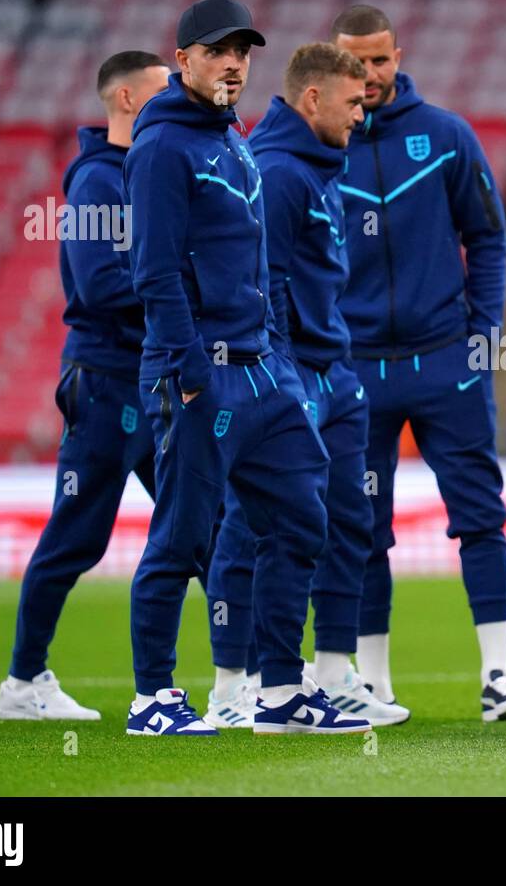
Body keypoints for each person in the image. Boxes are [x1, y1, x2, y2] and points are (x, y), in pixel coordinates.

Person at [124, 0, 363, 737]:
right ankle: (153, 698)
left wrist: (273, 355)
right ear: (184, 58)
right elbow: (154, 272)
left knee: (301, 520)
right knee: (183, 537)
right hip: (201, 373)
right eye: (219, 50)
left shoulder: (231, 139)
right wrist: (193, 372)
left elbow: (257, 262)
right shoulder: (163, 148)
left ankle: (282, 690)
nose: (233, 63)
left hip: (265, 372)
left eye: (244, 51)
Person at [331, 5, 506, 722]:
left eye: (379, 60)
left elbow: (489, 237)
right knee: (359, 528)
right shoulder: (318, 146)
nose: (369, 75)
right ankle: (375, 687)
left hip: (445, 360)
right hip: (354, 369)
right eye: (354, 63)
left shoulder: (445, 135)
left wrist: (481, 334)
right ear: (333, 65)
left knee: (480, 516)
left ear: (397, 54)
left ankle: (500, 676)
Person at [202, 42, 410, 729]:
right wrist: (285, 377)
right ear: (314, 99)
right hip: (290, 375)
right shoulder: (284, 173)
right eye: (353, 102)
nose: (363, 113)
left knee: (349, 522)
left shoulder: (318, 166)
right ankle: (234, 685)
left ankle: (330, 673)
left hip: (334, 372)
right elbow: (264, 286)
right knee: (250, 526)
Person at [0, 51, 170, 722]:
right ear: (126, 99)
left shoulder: (145, 173)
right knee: (78, 535)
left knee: (208, 525)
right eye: (160, 93)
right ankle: (23, 680)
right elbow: (99, 285)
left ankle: (251, 673)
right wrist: (179, 288)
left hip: (152, 379)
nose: (174, 102)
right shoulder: (100, 182)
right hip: (107, 381)